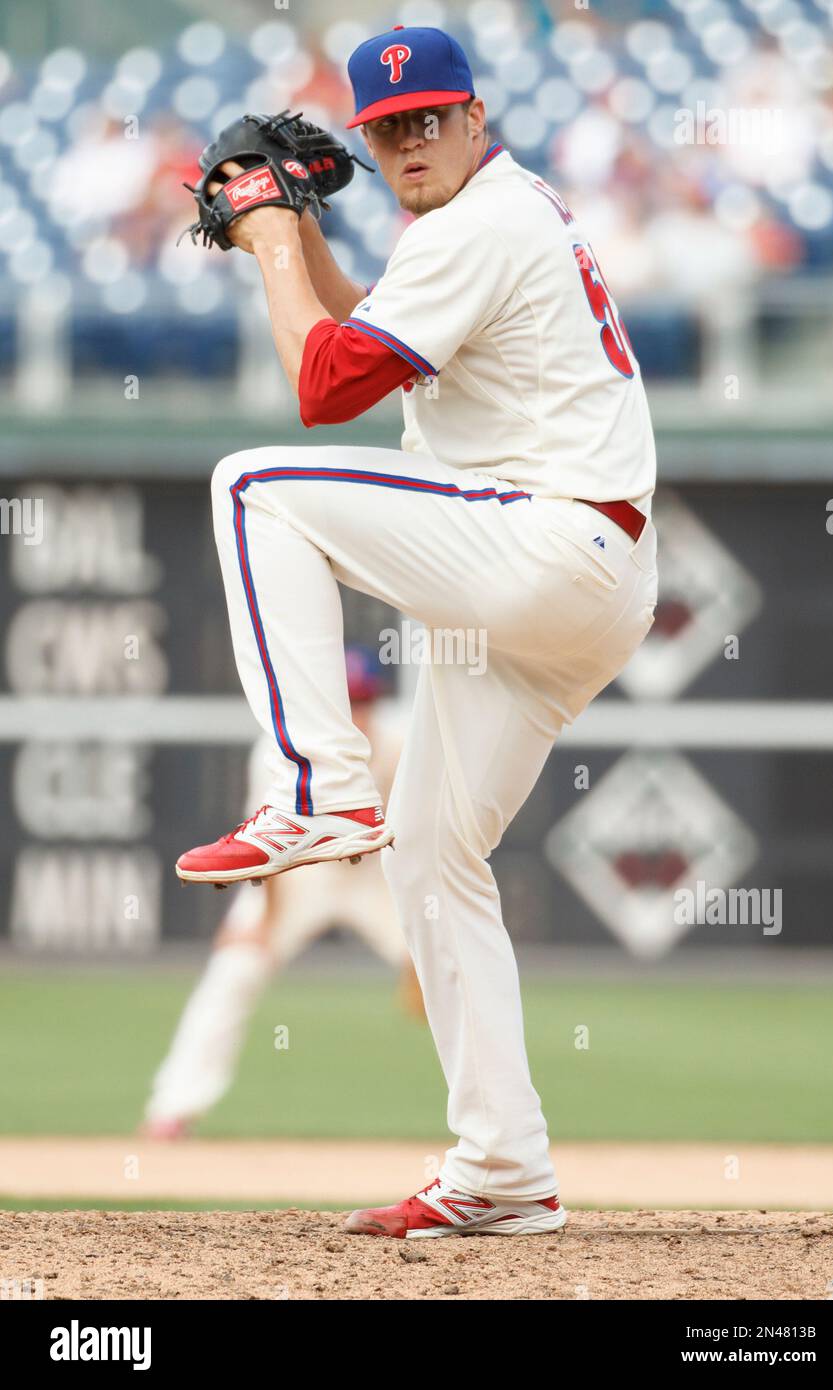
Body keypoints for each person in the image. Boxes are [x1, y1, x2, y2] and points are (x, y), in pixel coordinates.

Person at [176, 25, 658, 1239]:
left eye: (429, 119)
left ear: (476, 117)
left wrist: (273, 233)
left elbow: (324, 387)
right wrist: (299, 247)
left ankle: (320, 785)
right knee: (431, 860)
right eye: (386, 128)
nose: (407, 142)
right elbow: (362, 345)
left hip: (545, 543)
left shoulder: (477, 223)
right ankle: (501, 1171)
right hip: (571, 586)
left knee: (253, 485)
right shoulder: (472, 225)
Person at [142, 645, 420, 1140]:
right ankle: (173, 1108)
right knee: (235, 968)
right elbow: (262, 847)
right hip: (296, 874)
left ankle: (489, 1131)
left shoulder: (400, 746)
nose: (356, 712)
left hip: (373, 876)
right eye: (347, 700)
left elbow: (419, 841)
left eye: (363, 700)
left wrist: (423, 937)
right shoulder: (282, 750)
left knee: (452, 966)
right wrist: (260, 925)